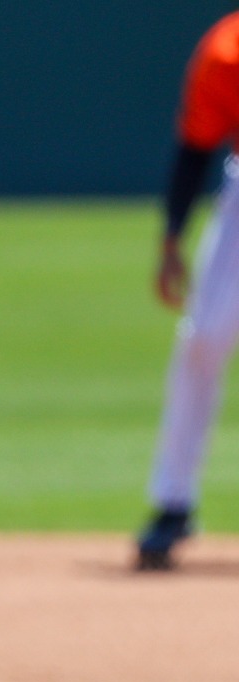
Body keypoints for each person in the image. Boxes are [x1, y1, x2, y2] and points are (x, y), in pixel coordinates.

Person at [139, 10, 239, 570]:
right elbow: (197, 144)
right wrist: (173, 235)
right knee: (202, 338)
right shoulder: (228, 50)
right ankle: (172, 503)